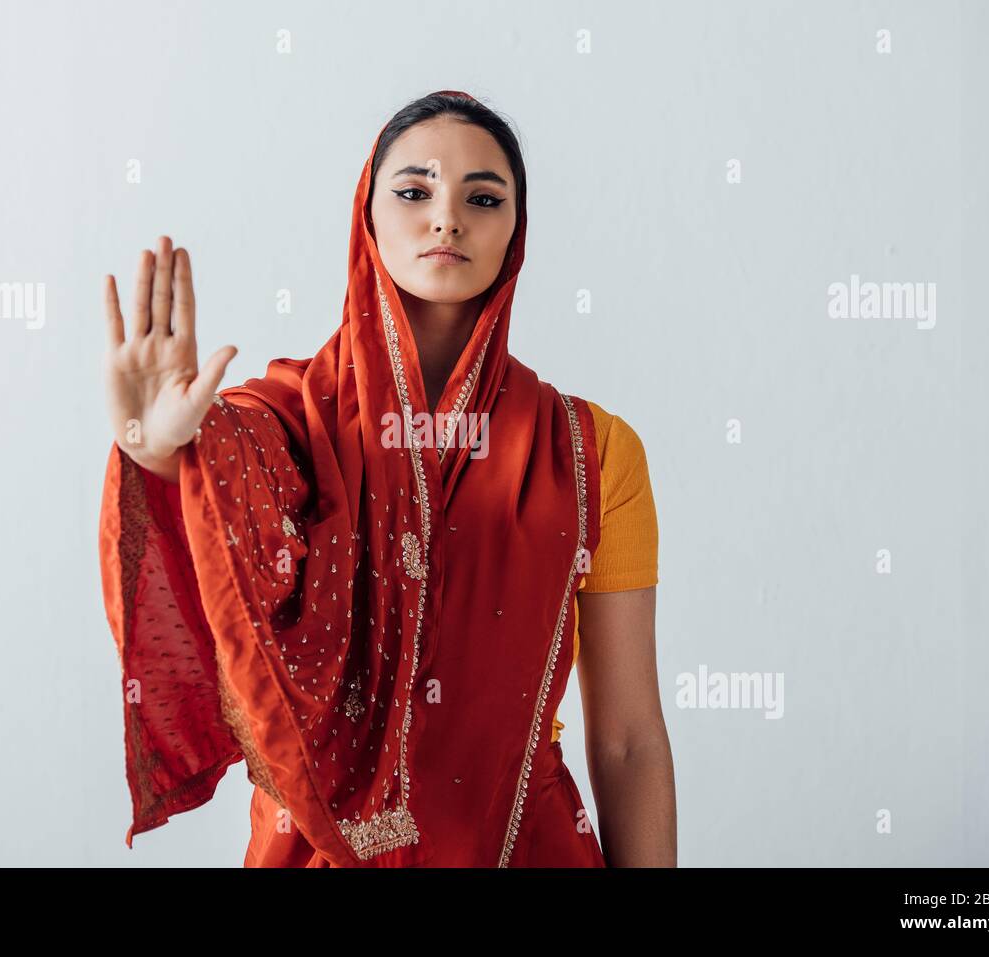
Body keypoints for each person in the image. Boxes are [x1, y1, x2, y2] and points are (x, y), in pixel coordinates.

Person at [97, 90, 675, 866]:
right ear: (366, 217)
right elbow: (217, 489)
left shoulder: (591, 449)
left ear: (517, 229)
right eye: (413, 191)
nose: (447, 217)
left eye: (483, 196)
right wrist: (162, 448)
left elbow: (629, 737)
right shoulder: (285, 423)